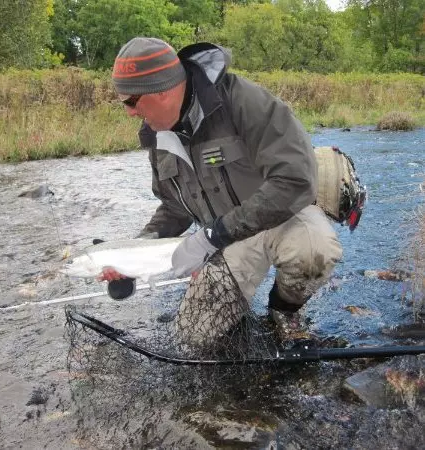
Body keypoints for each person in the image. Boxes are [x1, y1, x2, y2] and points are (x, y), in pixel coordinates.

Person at [102, 37, 343, 344]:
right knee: (194, 338)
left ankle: (284, 309)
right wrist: (137, 250)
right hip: (225, 242)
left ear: (161, 90)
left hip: (280, 219)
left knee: (313, 250)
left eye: (130, 102)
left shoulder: (242, 101)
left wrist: (211, 237)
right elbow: (175, 207)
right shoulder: (157, 138)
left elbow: (295, 179)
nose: (129, 113)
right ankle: (237, 310)